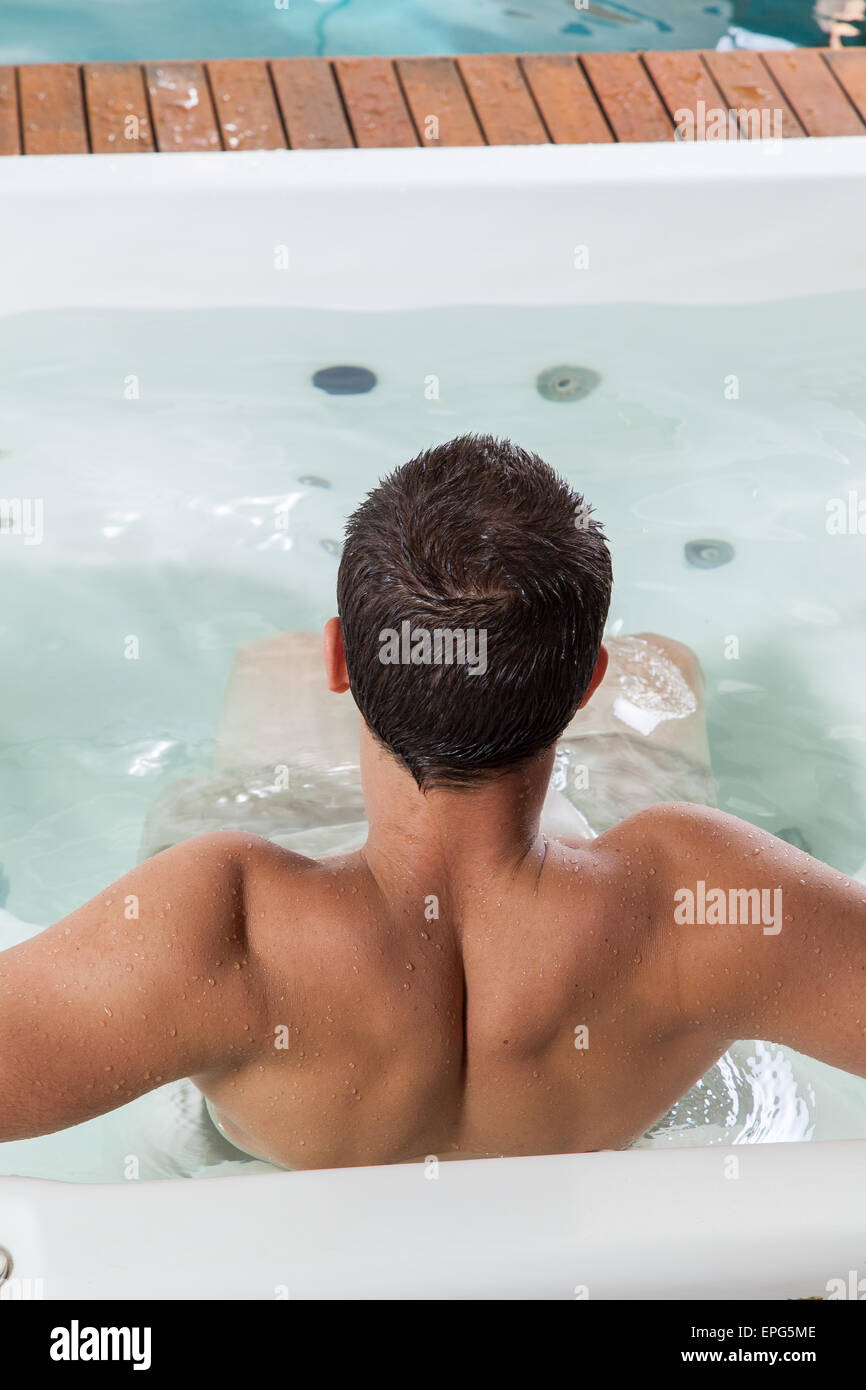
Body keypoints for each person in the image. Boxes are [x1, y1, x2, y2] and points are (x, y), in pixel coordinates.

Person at [0, 435, 863, 1169]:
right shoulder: (700, 906)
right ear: (588, 686)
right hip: (591, 905)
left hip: (297, 972)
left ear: (341, 665)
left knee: (270, 672)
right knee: (665, 665)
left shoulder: (223, 929)